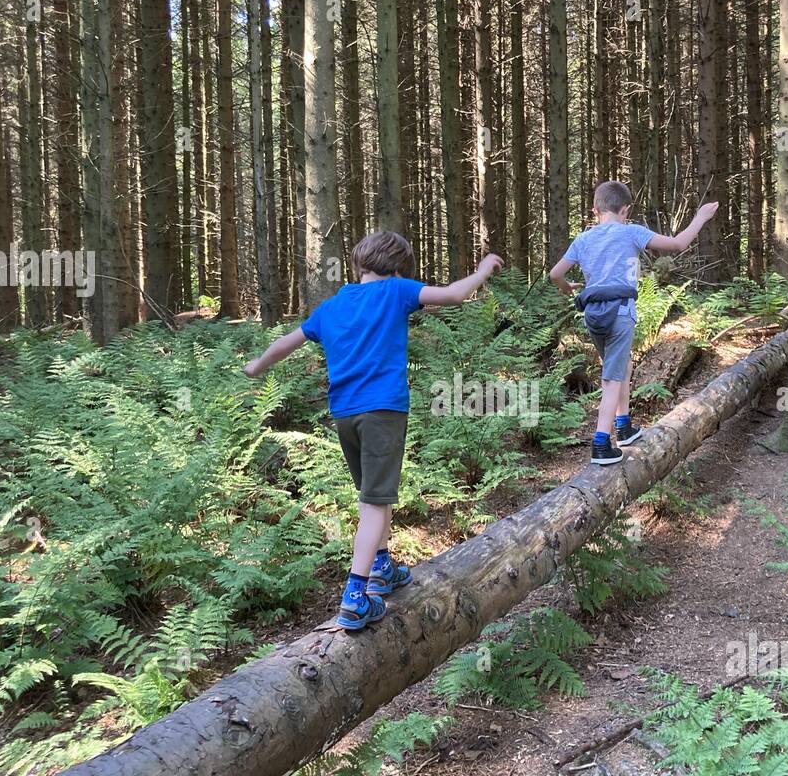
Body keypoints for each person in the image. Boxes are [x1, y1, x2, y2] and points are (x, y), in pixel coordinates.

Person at [244, 232, 503, 629]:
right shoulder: (396, 291)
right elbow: (452, 295)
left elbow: (286, 343)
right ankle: (355, 594)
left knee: (373, 495)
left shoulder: (332, 307)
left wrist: (257, 366)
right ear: (398, 268)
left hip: (344, 414)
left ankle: (382, 566)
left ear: (358, 264)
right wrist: (483, 270)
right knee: (375, 503)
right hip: (383, 410)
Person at [549, 181, 718, 464]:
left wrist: (567, 287)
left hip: (592, 316)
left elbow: (555, 273)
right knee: (612, 378)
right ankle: (601, 443)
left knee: (621, 364)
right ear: (626, 210)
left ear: (594, 211)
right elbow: (677, 244)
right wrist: (700, 217)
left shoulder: (583, 239)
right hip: (620, 314)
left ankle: (624, 425)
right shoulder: (631, 232)